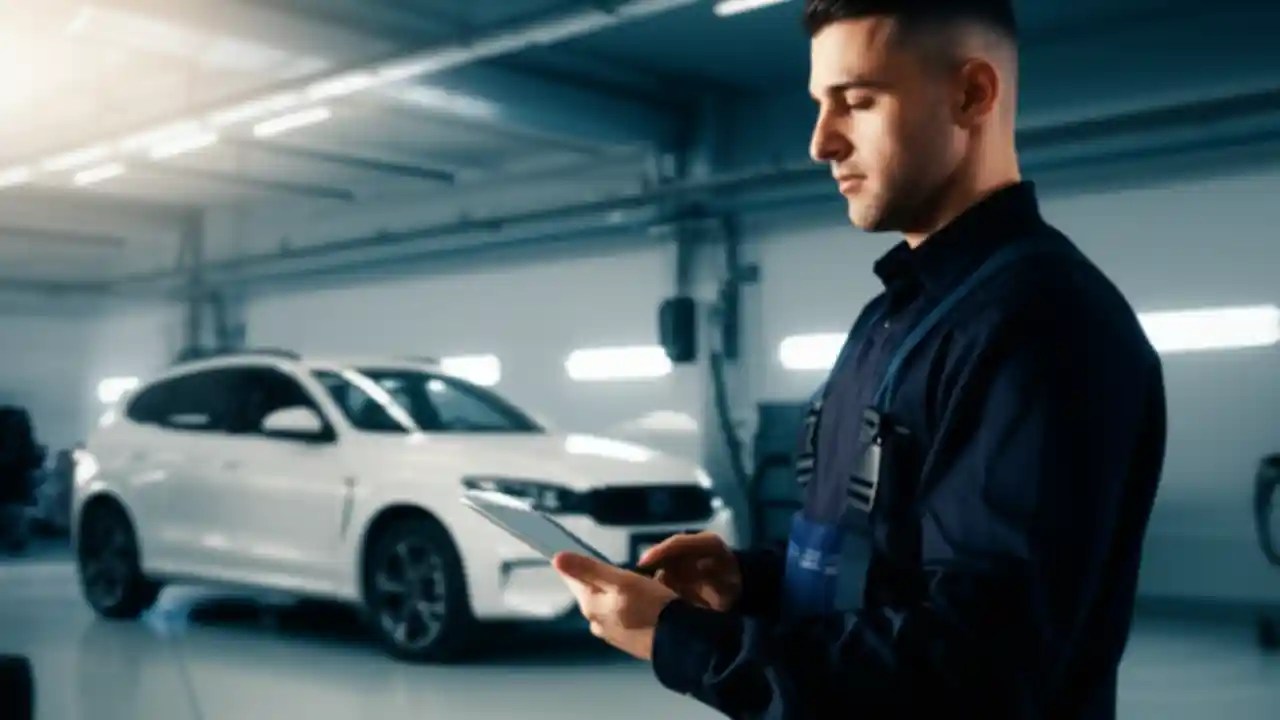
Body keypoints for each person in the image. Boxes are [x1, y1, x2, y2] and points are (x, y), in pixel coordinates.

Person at [551, 0, 1168, 718]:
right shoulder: (893, 317)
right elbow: (879, 561)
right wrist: (748, 582)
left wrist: (683, 640)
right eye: (820, 105)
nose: (820, 143)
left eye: (858, 102)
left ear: (972, 95)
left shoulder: (1046, 327)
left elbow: (974, 667)